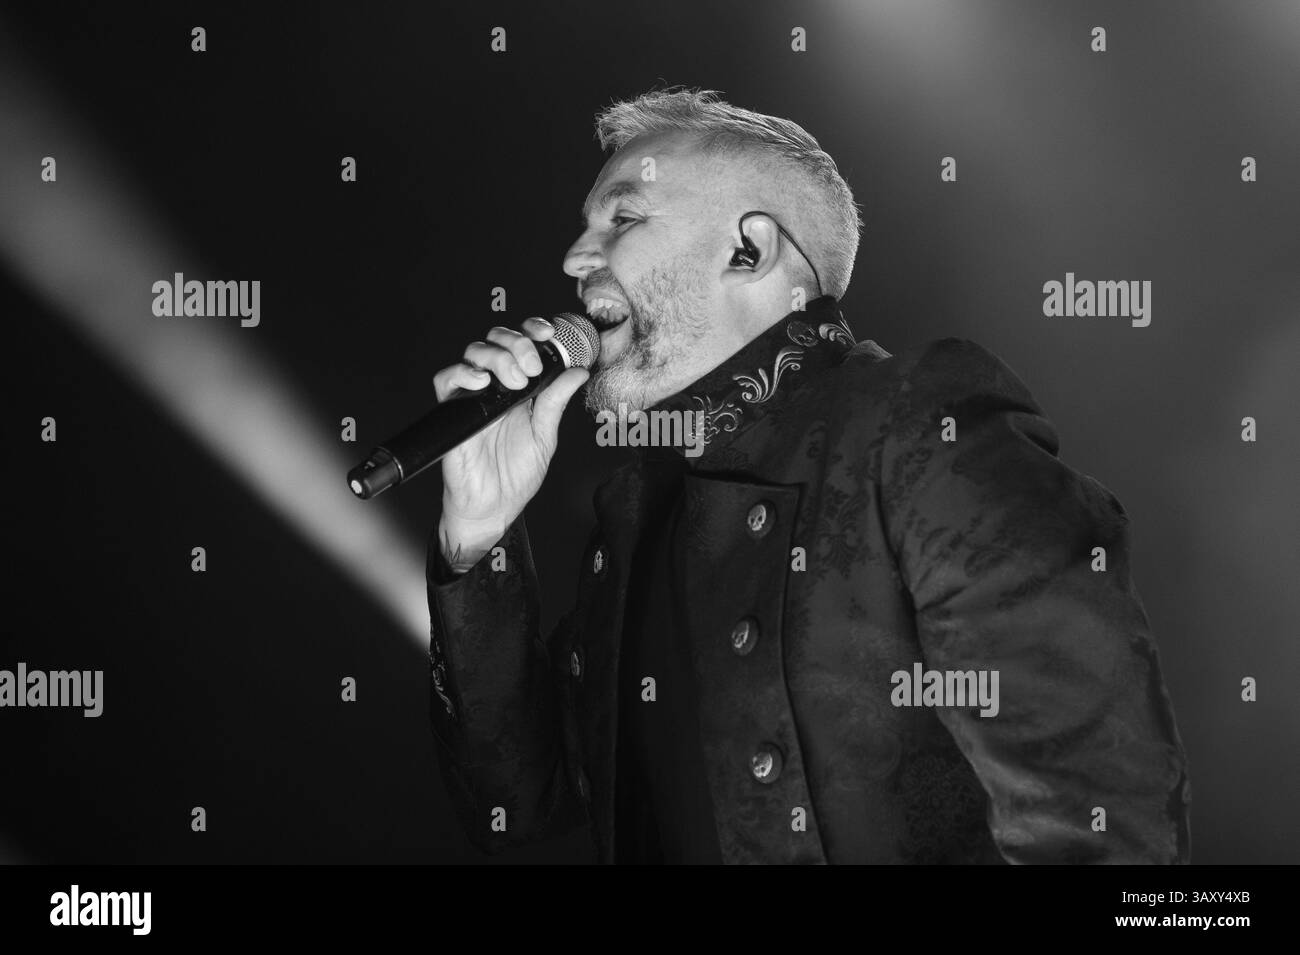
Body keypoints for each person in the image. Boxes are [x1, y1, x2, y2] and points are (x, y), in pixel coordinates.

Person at [424, 88, 1191, 864]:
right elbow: (519, 807)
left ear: (748, 249)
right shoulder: (633, 513)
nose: (575, 258)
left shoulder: (914, 421)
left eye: (621, 219)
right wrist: (475, 540)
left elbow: (1100, 816)